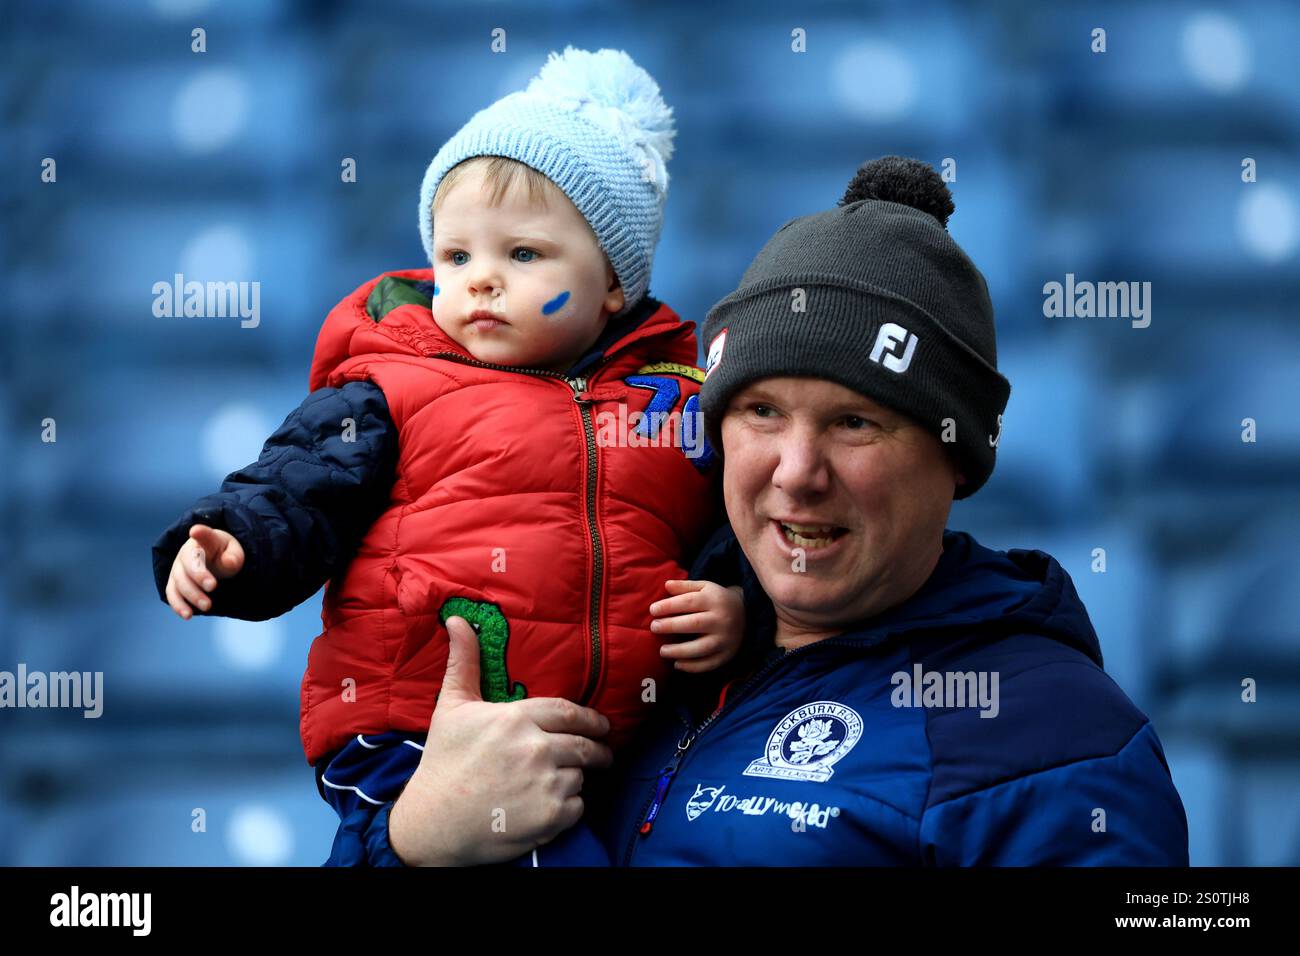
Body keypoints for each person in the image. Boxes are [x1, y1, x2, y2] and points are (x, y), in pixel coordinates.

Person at [368, 156, 1190, 866]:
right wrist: (414, 840)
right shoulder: (636, 641)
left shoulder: (1049, 738)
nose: (797, 474)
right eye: (761, 412)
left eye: (855, 422)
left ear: (955, 454)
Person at [149, 47, 747, 866]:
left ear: (614, 282)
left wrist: (734, 607)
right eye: (457, 256)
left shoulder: (674, 401)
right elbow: (298, 487)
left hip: (603, 752)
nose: (481, 282)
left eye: (523, 256)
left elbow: (734, 532)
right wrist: (235, 544)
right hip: (410, 736)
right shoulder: (390, 383)